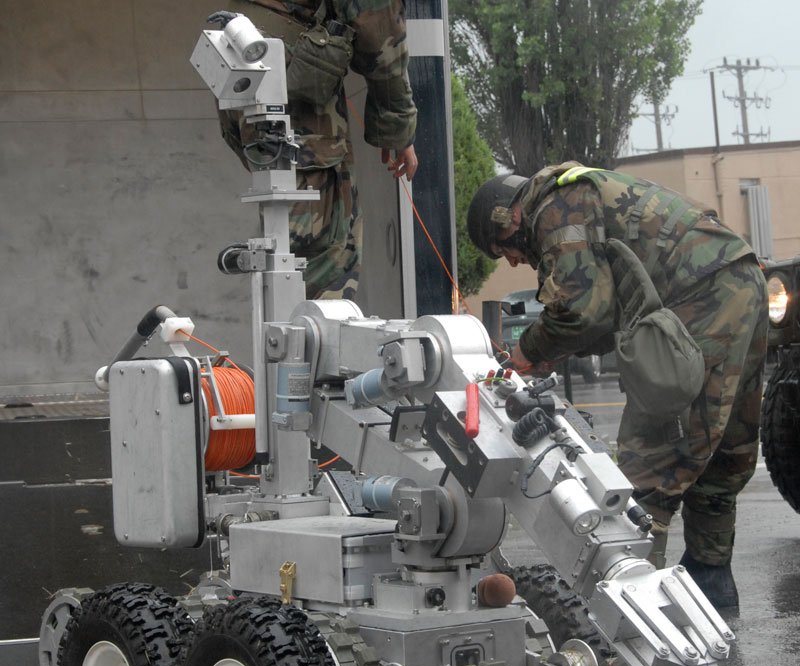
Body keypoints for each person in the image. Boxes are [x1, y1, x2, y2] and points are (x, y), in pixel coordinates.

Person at [467, 162, 769, 610]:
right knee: (722, 453)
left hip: (700, 299)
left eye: (501, 250)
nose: (512, 259)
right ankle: (711, 586)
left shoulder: (554, 206)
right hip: (741, 280)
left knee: (650, 466)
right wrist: (559, 347)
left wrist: (528, 351)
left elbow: (580, 309)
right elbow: (604, 310)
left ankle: (635, 616)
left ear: (505, 217)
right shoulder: (578, 195)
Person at [217, 0, 418, 300]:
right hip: (292, 82)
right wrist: (397, 125)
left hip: (242, 59)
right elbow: (377, 23)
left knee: (286, 251)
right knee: (324, 262)